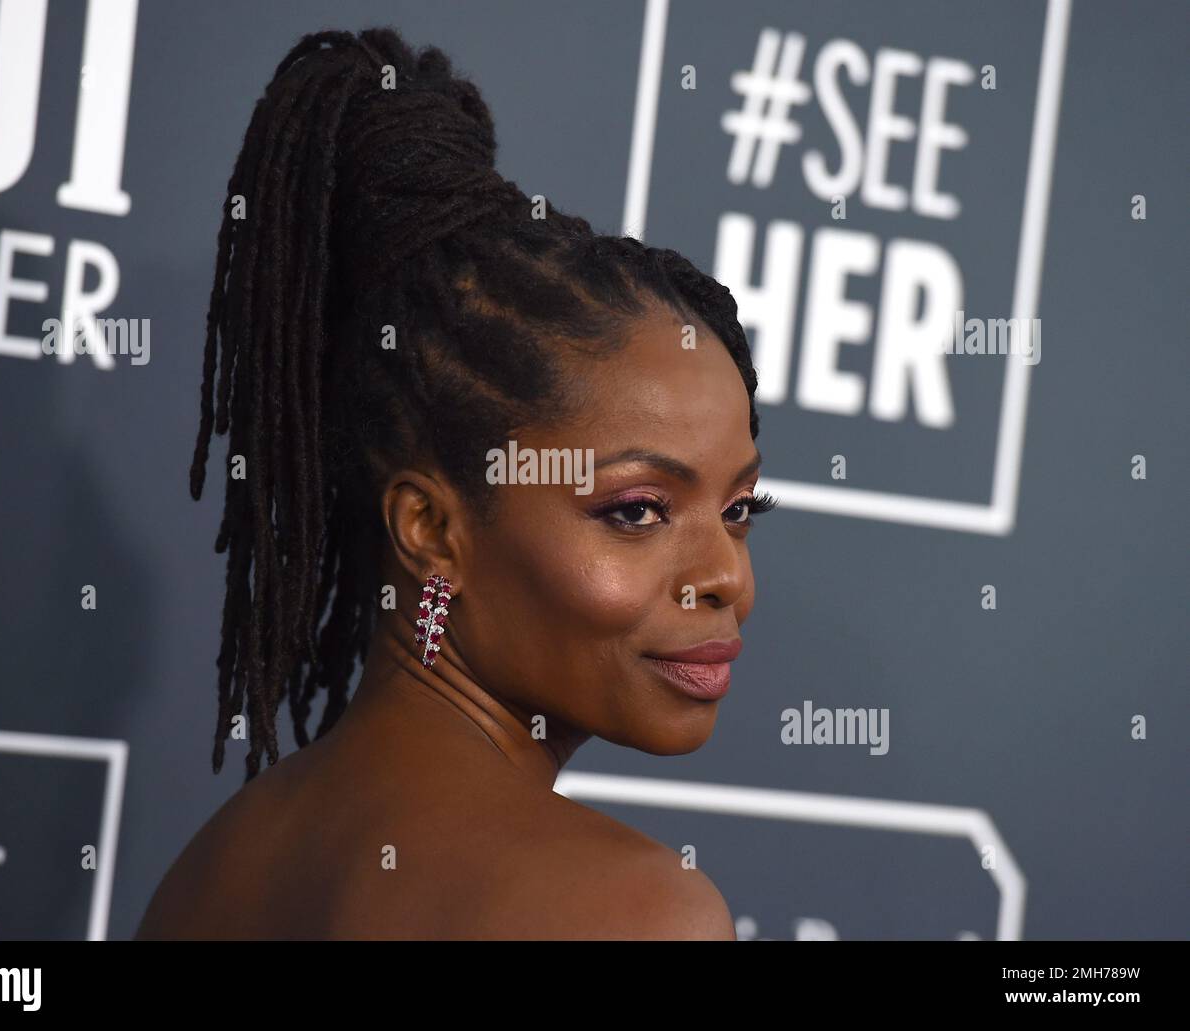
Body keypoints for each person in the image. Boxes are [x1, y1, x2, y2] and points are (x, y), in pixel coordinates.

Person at [136, 25, 774, 940]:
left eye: (741, 509)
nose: (728, 578)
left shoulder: (211, 872)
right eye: (637, 510)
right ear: (432, 529)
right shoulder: (637, 913)